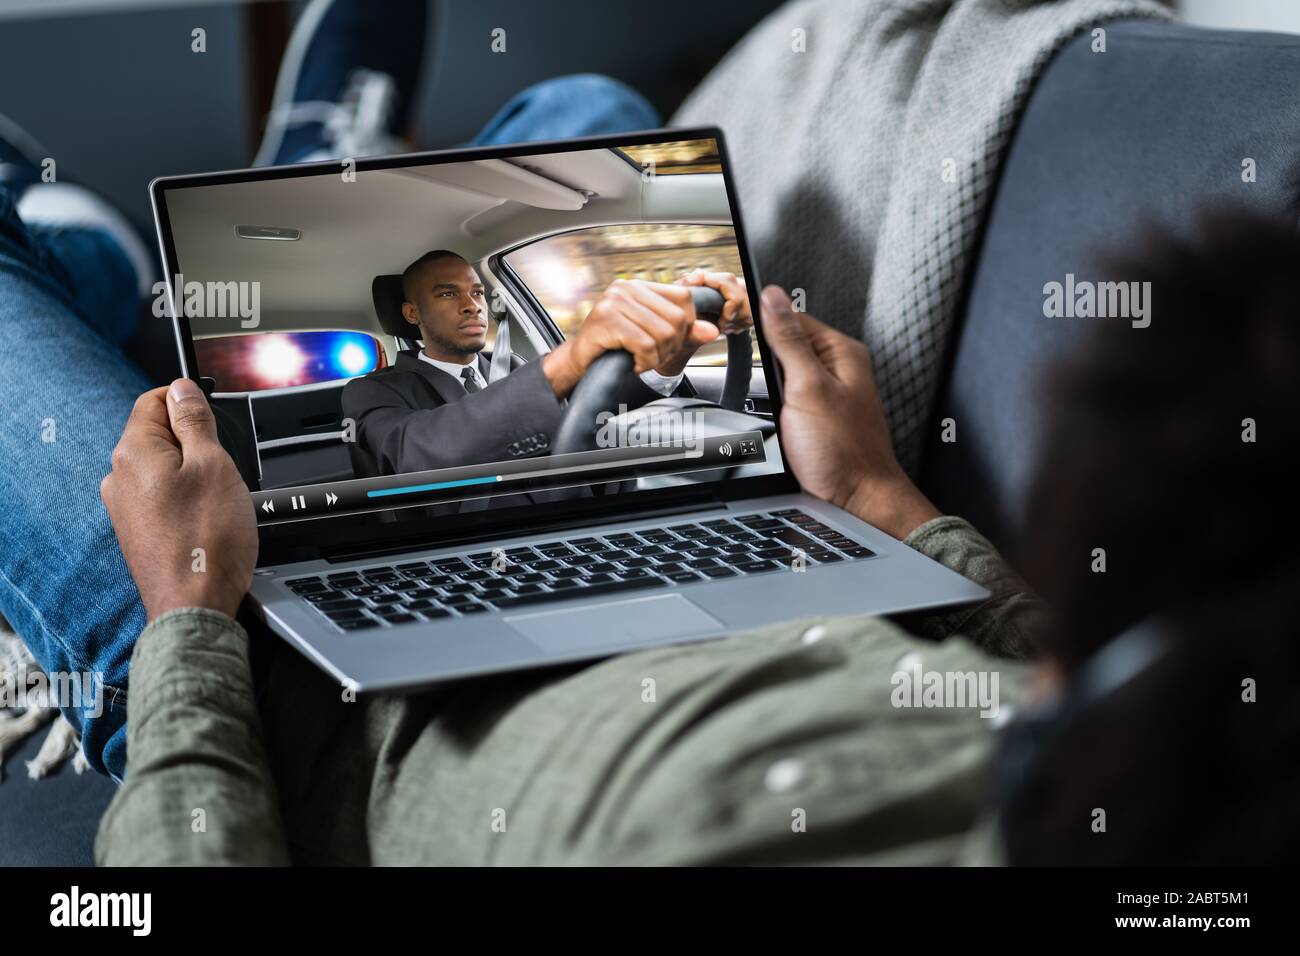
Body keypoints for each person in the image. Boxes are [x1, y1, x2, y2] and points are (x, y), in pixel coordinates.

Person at [340, 248, 742, 478]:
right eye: (448, 294)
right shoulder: (370, 392)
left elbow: (595, 411)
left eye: (477, 293)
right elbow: (416, 454)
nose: (472, 305)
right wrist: (572, 355)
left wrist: (673, 354)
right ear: (412, 313)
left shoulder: (514, 366)